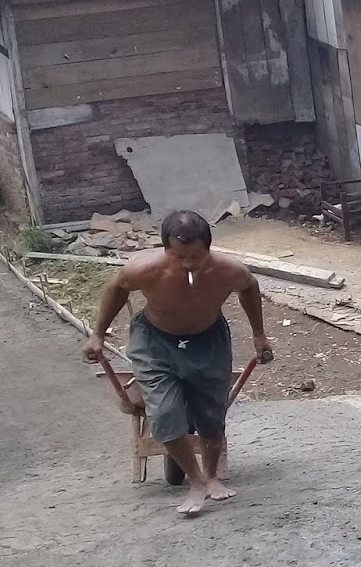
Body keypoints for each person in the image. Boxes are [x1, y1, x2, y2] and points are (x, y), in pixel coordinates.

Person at [82, 210, 273, 517]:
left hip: (208, 339)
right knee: (163, 413)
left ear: (208, 248)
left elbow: (249, 287)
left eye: (195, 256)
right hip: (155, 341)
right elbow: (116, 288)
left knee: (211, 411)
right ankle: (195, 481)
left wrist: (259, 334)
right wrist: (97, 335)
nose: (187, 264)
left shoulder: (229, 271)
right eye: (179, 257)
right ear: (165, 249)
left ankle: (211, 476)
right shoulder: (143, 270)